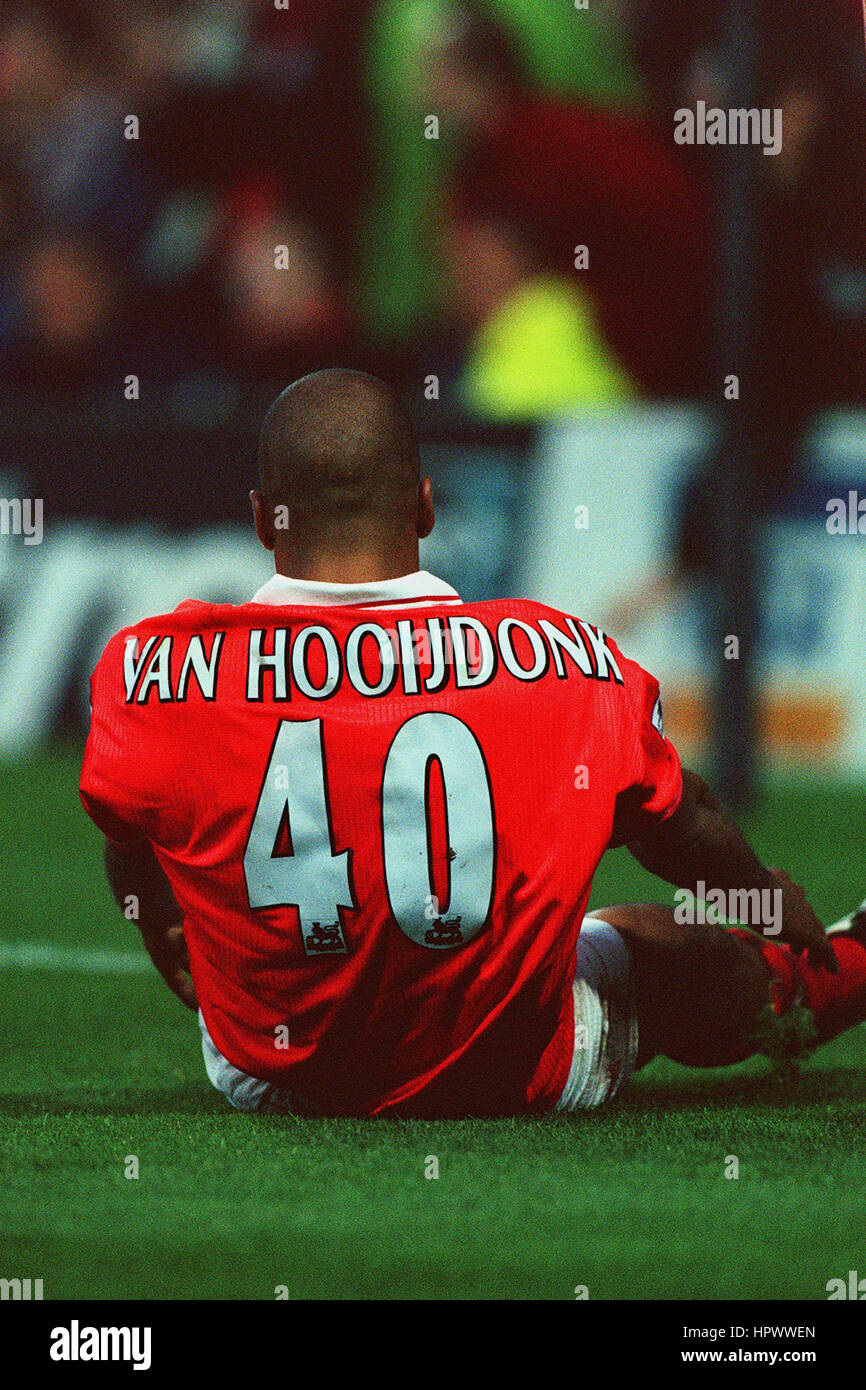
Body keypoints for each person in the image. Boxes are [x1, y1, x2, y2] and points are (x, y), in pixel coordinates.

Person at [80, 369, 866, 1118]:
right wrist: (759, 898)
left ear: (261, 518)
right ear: (425, 508)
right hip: (514, 1062)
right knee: (665, 943)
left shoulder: (152, 672)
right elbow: (679, 821)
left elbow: (129, 836)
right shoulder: (560, 656)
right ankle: (840, 972)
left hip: (270, 1069)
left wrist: (164, 934)